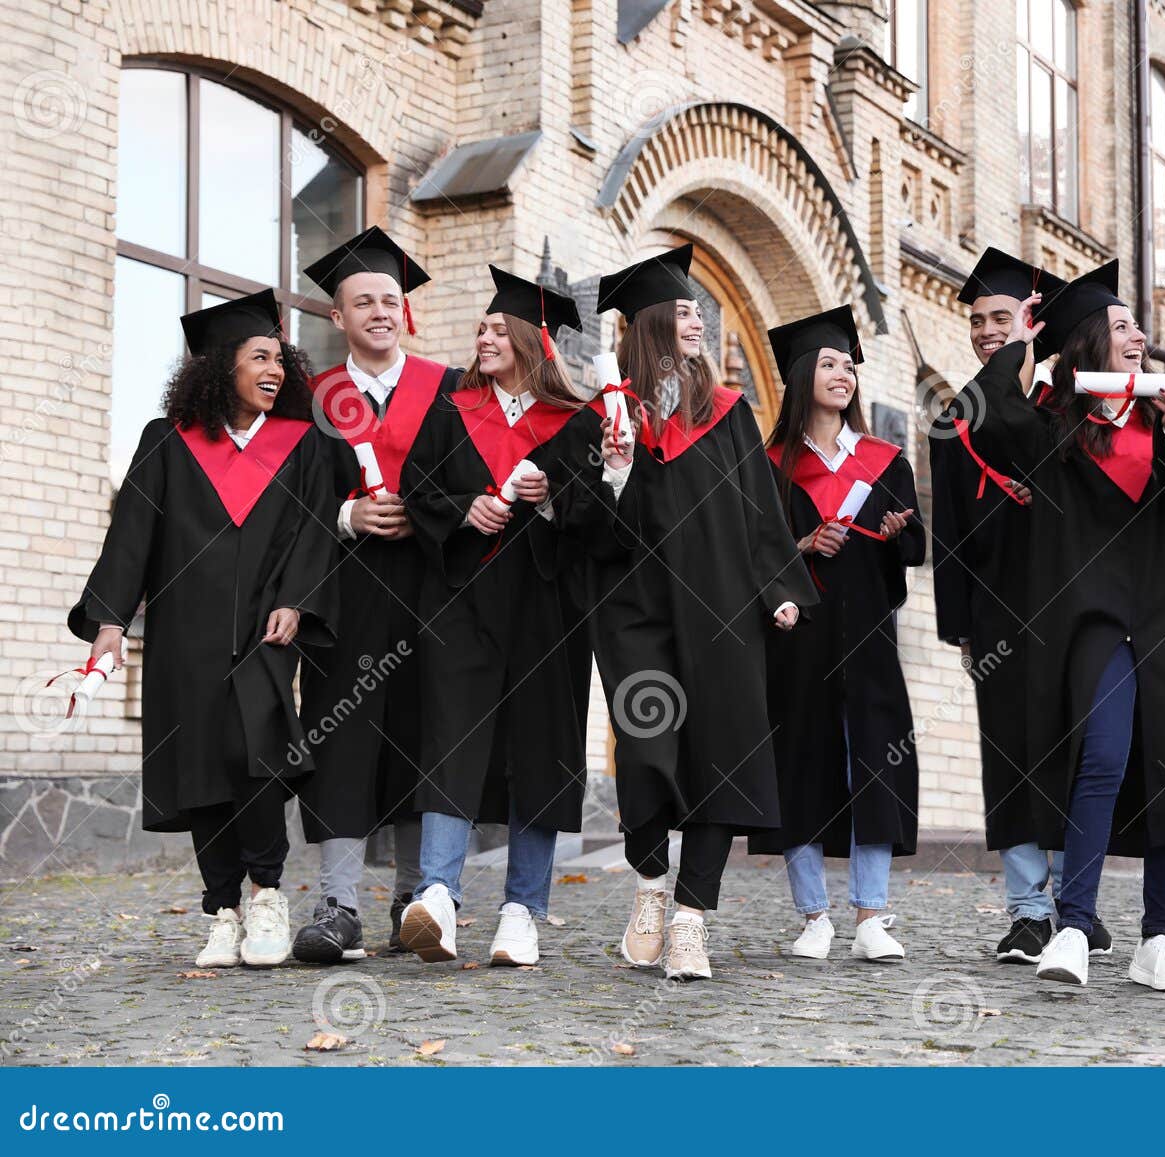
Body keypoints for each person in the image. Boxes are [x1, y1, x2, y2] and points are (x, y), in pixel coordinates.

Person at [961, 260, 1165, 990]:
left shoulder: (1159, 428)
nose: (1140, 336)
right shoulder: (1053, 428)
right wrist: (1021, 341)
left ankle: (1160, 936)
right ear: (1094, 339)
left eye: (1138, 326)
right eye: (1124, 326)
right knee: (1102, 755)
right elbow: (990, 417)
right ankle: (1072, 924)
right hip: (1091, 618)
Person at [69, 291, 336, 968]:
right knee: (202, 771)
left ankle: (268, 894)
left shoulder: (301, 445)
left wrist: (298, 600)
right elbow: (130, 535)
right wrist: (107, 623)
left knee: (257, 760)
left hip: (263, 635)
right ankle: (222, 908)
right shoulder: (168, 440)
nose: (275, 368)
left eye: (280, 357)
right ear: (222, 367)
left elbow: (313, 530)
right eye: (259, 357)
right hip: (184, 636)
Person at [590, 242, 817, 981]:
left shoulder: (726, 415)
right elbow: (585, 530)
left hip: (722, 607)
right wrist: (615, 474)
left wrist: (780, 585)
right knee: (648, 748)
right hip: (637, 612)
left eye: (700, 311)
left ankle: (691, 917)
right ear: (653, 322)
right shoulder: (611, 417)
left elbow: (758, 511)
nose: (698, 321)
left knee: (723, 754)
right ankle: (651, 879)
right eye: (684, 311)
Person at [395, 268, 602, 966]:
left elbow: (598, 515)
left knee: (538, 750)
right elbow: (416, 489)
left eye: (496, 329)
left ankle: (521, 910)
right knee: (451, 738)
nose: (483, 337)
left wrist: (549, 499)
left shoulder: (576, 424)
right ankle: (439, 899)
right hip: (461, 602)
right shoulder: (452, 412)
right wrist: (465, 509)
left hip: (547, 610)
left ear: (529, 340)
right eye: (479, 328)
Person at [929, 247, 1111, 965]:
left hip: (1069, 605)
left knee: (1071, 751)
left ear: (1033, 322)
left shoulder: (1064, 408)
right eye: (976, 319)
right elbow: (948, 527)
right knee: (1009, 757)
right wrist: (960, 624)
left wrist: (1030, 347)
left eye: (1000, 318)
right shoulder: (959, 414)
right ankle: (1028, 912)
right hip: (999, 609)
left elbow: (1016, 420)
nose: (983, 330)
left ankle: (1075, 904)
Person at [291, 226, 457, 964]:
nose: (380, 312)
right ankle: (339, 905)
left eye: (390, 299)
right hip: (346, 590)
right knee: (343, 739)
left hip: (434, 587)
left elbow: (472, 482)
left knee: (424, 736)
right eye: (364, 302)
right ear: (338, 316)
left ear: (405, 310)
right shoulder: (313, 400)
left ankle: (413, 900)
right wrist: (346, 515)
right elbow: (286, 504)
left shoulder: (451, 390)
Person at [751, 306, 925, 962]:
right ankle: (814, 914)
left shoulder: (884, 461)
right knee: (800, 765)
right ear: (802, 378)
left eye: (849, 366)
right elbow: (754, 556)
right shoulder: (770, 466)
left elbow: (913, 553)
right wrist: (803, 542)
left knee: (875, 761)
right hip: (799, 639)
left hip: (868, 636)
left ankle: (872, 914)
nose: (843, 375)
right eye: (829, 364)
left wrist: (897, 530)